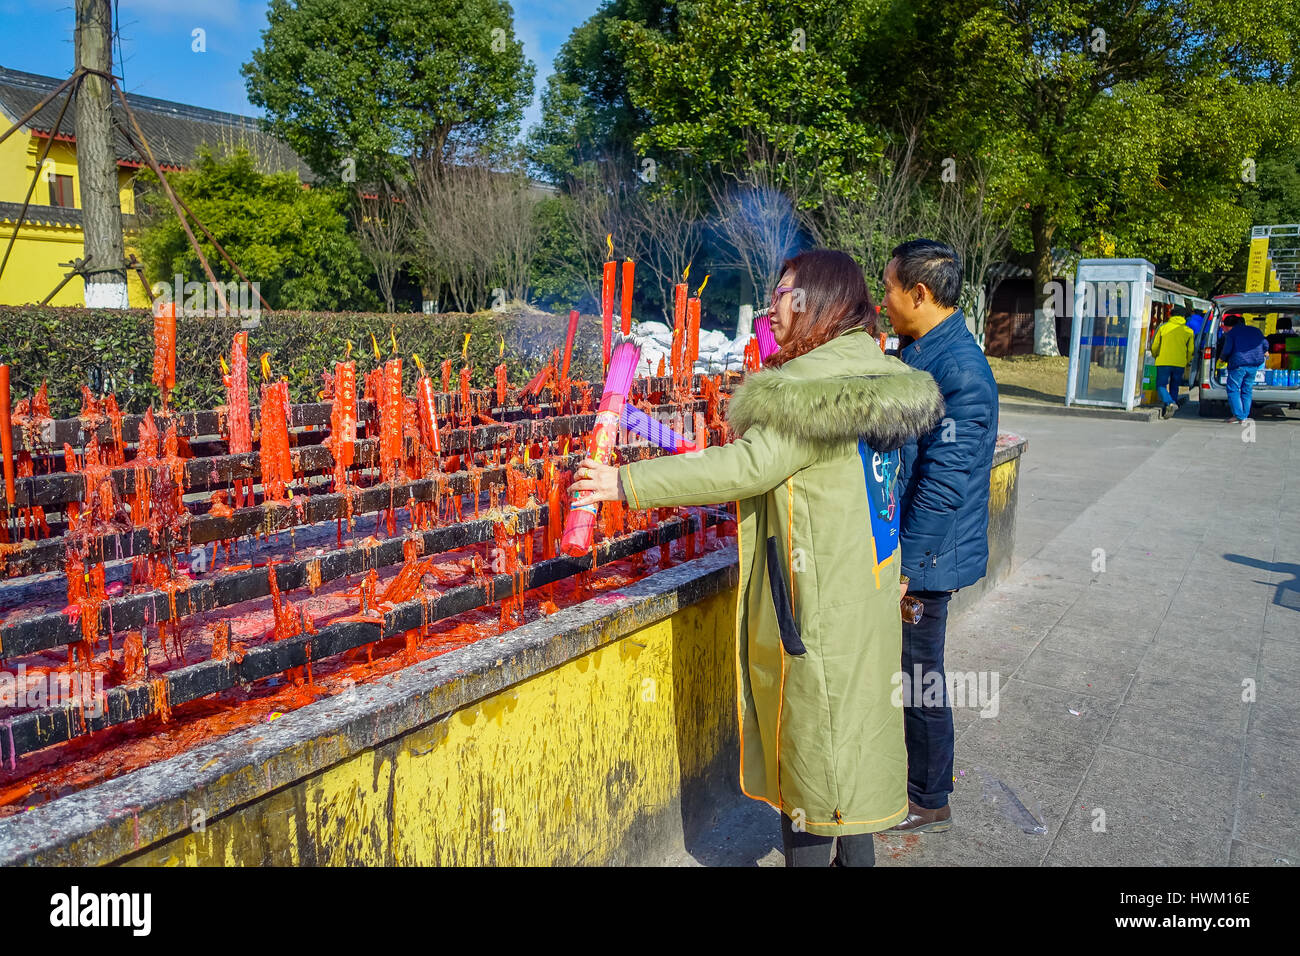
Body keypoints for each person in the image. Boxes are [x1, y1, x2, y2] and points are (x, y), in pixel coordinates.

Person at [570, 249, 944, 866]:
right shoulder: (875, 372)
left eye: (785, 292)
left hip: (815, 605)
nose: (774, 304)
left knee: (809, 757)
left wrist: (623, 485)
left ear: (816, 303)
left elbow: (744, 468)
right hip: (865, 592)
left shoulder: (811, 395)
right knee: (846, 751)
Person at [881, 239, 998, 833]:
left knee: (920, 672)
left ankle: (929, 796)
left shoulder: (960, 372)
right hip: (912, 550)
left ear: (919, 294)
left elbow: (943, 484)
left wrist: (907, 564)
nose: (884, 302)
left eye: (890, 289)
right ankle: (908, 783)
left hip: (925, 557)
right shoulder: (922, 349)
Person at [1219, 313, 1268, 423]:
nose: (1225, 330)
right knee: (1247, 390)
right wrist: (1263, 352)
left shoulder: (1232, 333)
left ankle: (1239, 416)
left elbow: (1227, 350)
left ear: (1230, 326)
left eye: (1225, 327)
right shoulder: (1256, 330)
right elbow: (1265, 344)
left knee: (1233, 389)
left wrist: (1222, 358)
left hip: (1238, 365)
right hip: (1254, 365)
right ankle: (1244, 416)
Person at [1151, 311, 1195, 418]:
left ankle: (1170, 402)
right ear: (1183, 317)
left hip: (1163, 361)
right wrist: (1187, 360)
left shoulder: (1163, 328)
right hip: (1179, 363)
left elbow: (1155, 345)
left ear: (1170, 315)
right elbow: (1191, 350)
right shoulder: (1188, 331)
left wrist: (1155, 355)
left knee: (1161, 385)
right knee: (1174, 385)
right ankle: (1173, 405)